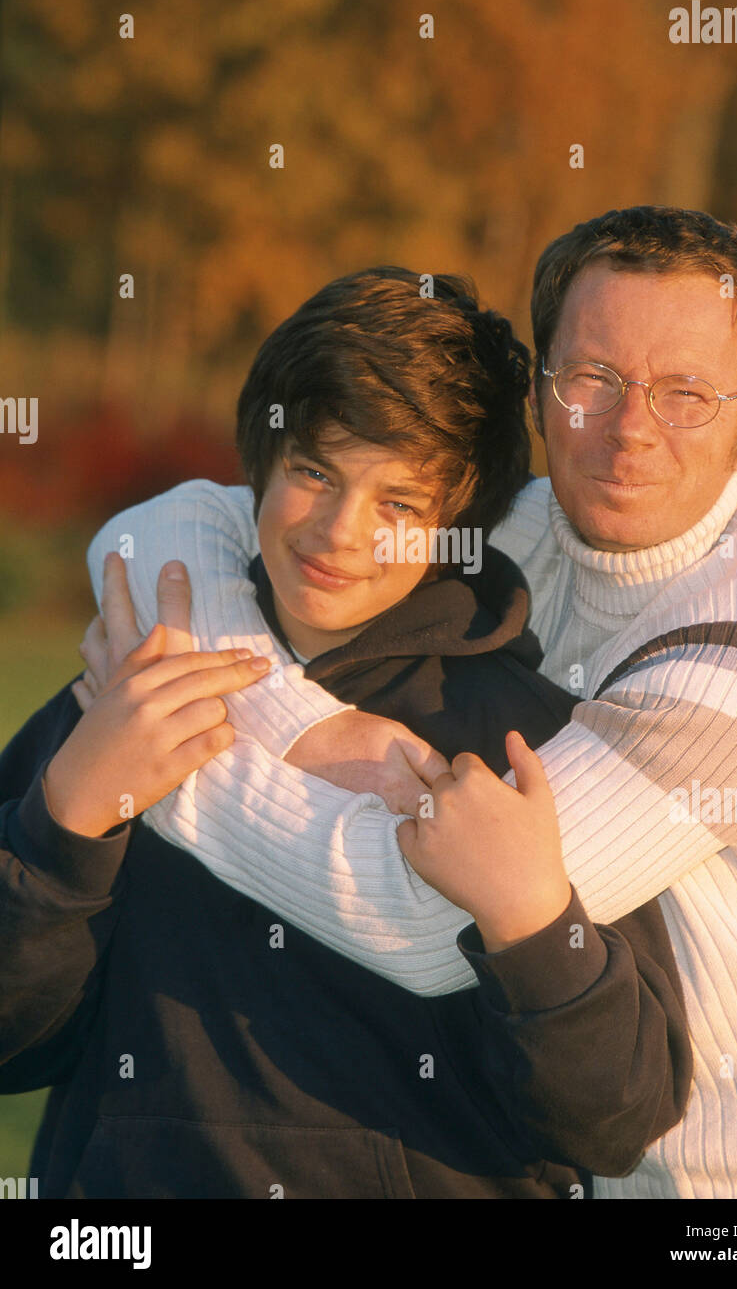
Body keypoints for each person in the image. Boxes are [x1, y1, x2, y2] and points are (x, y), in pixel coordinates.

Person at [90, 208, 737, 1200]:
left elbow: (423, 920)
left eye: (686, 395)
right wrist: (301, 723)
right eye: (594, 379)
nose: (630, 429)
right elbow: (173, 523)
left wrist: (147, 765)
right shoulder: (522, 531)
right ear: (540, 393)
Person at [0, 267, 692, 1199]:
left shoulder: (518, 741)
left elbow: (614, 1117)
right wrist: (67, 820)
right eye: (315, 472)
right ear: (263, 461)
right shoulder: (133, 684)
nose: (338, 532)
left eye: (399, 505)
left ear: (460, 526)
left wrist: (529, 924)